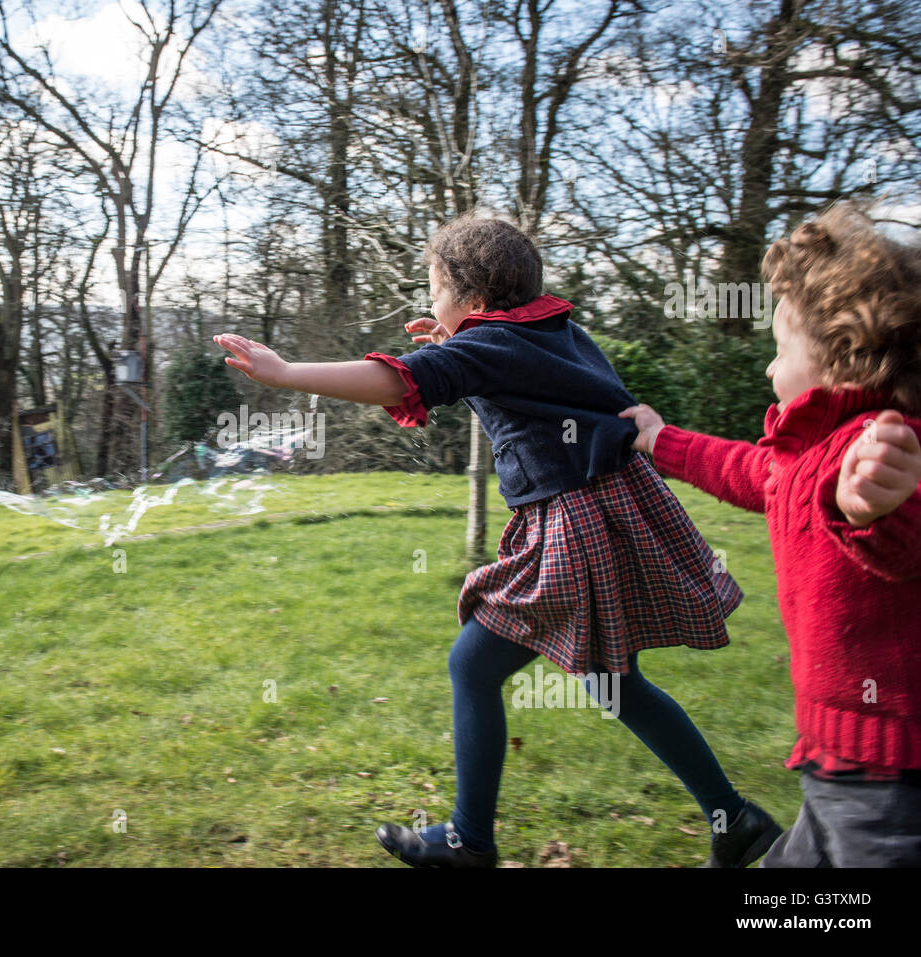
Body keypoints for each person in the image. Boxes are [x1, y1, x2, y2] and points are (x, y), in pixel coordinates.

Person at [215, 212, 778, 868]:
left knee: (474, 664)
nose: (431, 305)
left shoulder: (490, 347)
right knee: (613, 682)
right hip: (614, 507)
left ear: (474, 300)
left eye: (436, 292)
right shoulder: (555, 331)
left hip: (575, 523)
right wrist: (455, 344)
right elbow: (518, 382)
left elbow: (401, 381)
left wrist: (284, 372)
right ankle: (735, 819)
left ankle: (469, 839)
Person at [622, 203, 921, 866]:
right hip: (833, 753)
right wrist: (660, 439)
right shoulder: (803, 453)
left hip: (886, 768)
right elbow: (748, 470)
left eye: (781, 349)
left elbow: (903, 545)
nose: (768, 368)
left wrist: (873, 506)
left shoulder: (879, 449)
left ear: (842, 354)